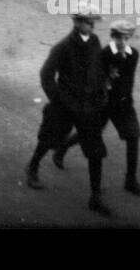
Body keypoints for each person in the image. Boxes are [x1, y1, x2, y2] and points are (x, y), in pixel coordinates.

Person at [25, 12, 112, 216]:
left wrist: (102, 89)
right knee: (48, 138)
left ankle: (95, 196)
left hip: (88, 106)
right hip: (65, 104)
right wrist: (57, 98)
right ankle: (33, 166)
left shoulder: (95, 41)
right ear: (76, 22)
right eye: (86, 22)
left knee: (95, 150)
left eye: (92, 23)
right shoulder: (63, 46)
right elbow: (46, 74)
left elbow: (98, 69)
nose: (90, 26)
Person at [57, 20, 140, 199]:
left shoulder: (134, 54)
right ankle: (63, 147)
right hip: (103, 104)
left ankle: (130, 181)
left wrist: (125, 96)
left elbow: (128, 79)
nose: (122, 41)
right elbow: (95, 78)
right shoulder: (104, 54)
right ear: (112, 37)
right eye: (118, 37)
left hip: (123, 104)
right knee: (91, 134)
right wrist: (105, 83)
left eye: (126, 38)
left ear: (130, 37)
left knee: (133, 138)